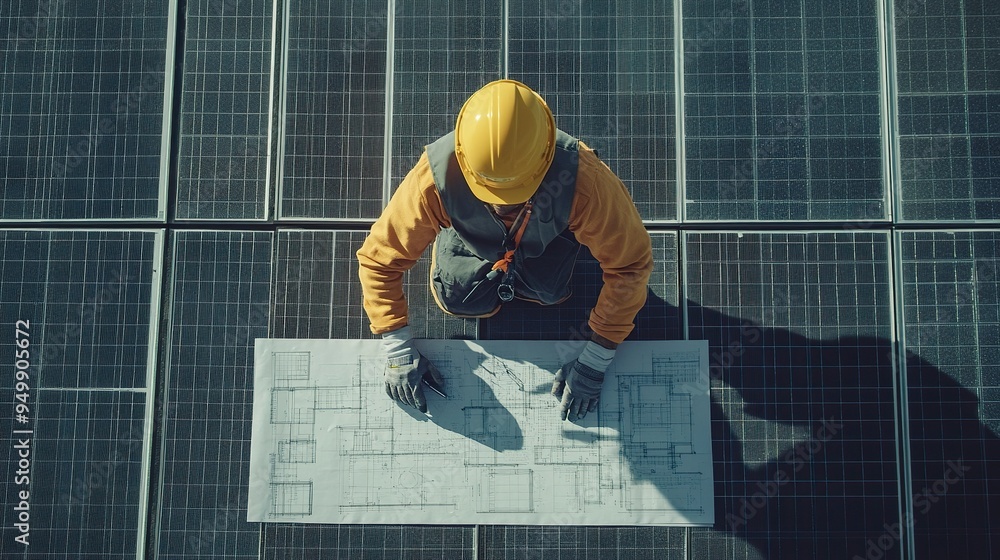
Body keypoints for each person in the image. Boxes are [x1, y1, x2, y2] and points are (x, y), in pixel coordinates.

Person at [357, 79, 653, 421]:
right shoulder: (435, 177)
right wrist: (397, 347)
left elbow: (630, 267)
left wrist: (597, 357)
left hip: (546, 242)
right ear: (465, 164)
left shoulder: (587, 182)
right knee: (457, 295)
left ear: (545, 163)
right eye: (490, 196)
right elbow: (378, 261)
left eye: (517, 195)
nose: (501, 207)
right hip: (476, 240)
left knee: (551, 290)